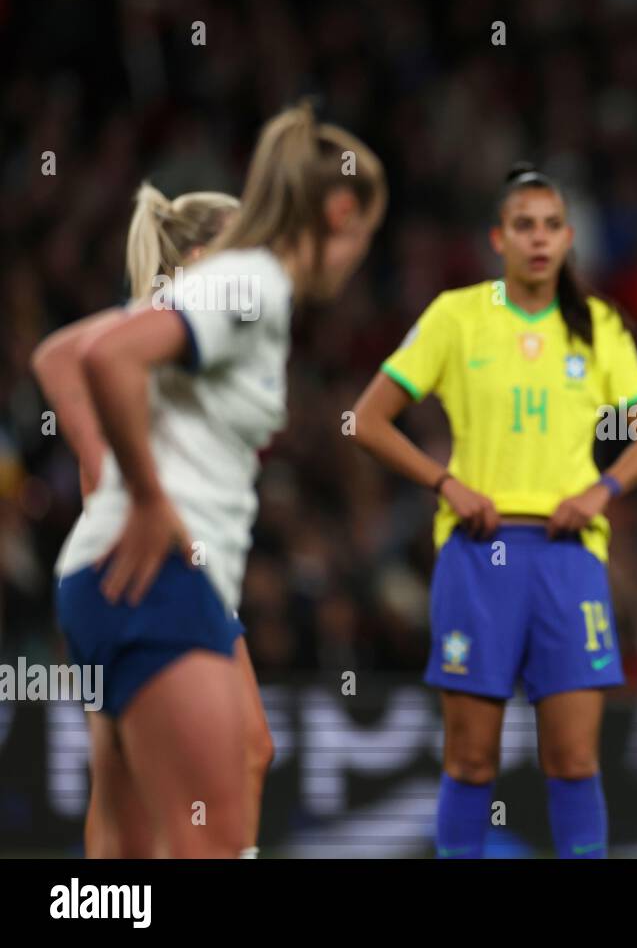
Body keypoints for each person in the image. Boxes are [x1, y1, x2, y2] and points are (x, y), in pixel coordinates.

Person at [43, 103, 385, 857]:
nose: (363, 255)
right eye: (366, 231)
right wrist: (146, 494)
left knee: (130, 859)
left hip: (132, 579)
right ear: (338, 212)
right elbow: (103, 359)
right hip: (153, 578)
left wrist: (118, 487)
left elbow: (67, 355)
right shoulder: (253, 284)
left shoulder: (252, 289)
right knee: (211, 845)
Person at [352, 163, 637, 858]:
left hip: (569, 557)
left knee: (575, 760)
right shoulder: (455, 315)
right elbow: (367, 419)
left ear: (569, 238)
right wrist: (446, 483)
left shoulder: (599, 325)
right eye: (523, 225)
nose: (538, 238)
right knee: (469, 759)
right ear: (497, 238)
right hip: (477, 554)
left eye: (551, 226)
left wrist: (600, 492)